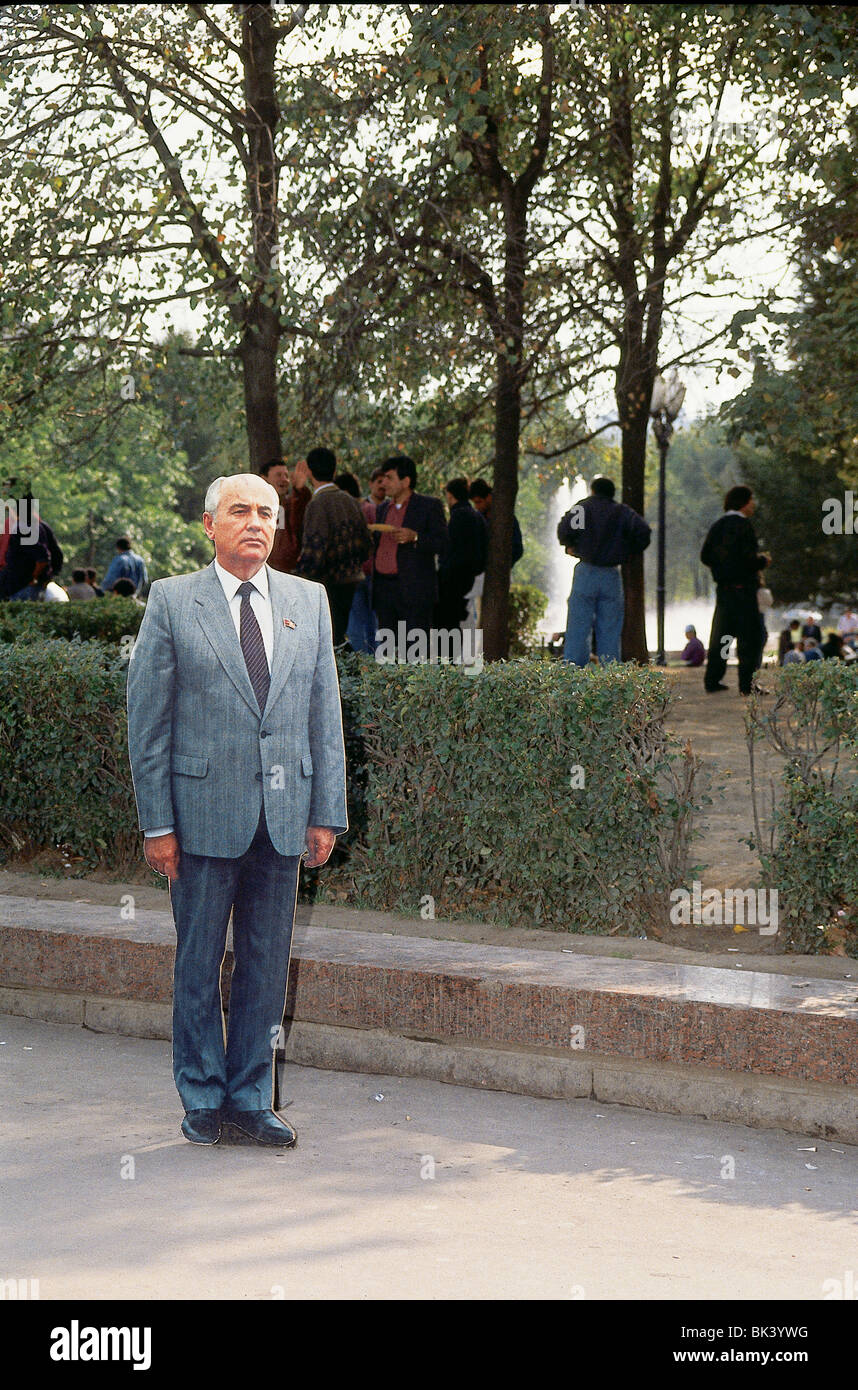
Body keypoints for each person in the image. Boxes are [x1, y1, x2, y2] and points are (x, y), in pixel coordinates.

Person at [126, 472, 347, 1148]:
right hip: (198, 820)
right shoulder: (170, 602)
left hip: (283, 820)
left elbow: (322, 713)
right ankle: (201, 1095)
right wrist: (157, 825)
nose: (255, 522)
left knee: (264, 962)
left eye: (267, 513)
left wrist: (326, 812)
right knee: (197, 963)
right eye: (240, 511)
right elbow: (148, 724)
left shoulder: (308, 602)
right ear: (209, 525)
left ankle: (252, 1099)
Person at [557, 474, 651, 667]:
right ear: (612, 493)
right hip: (611, 574)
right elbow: (643, 532)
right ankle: (610, 677)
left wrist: (571, 545)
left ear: (593, 490)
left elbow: (564, 530)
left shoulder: (583, 508)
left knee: (578, 627)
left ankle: (574, 673)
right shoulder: (621, 512)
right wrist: (627, 552)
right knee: (610, 630)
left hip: (586, 572)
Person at [294, 447, 373, 646]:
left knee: (329, 642)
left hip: (328, 584)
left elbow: (315, 550)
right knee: (340, 638)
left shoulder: (318, 504)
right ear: (335, 470)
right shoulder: (351, 501)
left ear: (310, 472)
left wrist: (298, 580)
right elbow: (366, 544)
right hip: (352, 579)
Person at [700, 485, 770, 696]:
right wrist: (762, 561)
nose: (754, 504)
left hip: (724, 591)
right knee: (752, 638)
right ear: (743, 502)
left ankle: (713, 679)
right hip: (745, 592)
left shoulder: (718, 526)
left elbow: (705, 556)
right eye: (751, 500)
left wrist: (722, 568)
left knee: (722, 637)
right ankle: (747, 684)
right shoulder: (744, 526)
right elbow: (748, 559)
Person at [373, 454, 448, 645]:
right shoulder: (382, 508)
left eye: (390, 477)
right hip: (384, 589)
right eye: (383, 478)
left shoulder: (429, 506)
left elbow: (443, 543)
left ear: (406, 481)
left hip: (414, 592)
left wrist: (415, 537)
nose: (384, 483)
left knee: (414, 652)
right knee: (387, 652)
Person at [436, 478, 487, 631]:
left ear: (450, 496)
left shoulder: (458, 516)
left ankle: (446, 655)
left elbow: (450, 548)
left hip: (452, 579)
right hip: (468, 578)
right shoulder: (477, 516)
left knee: (445, 624)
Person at [346, 467, 386, 655]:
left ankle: (363, 658)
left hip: (360, 572)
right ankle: (371, 657)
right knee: (369, 620)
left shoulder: (360, 509)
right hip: (368, 571)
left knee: (360, 620)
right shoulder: (370, 508)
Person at [261, 458, 312, 574]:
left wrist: (300, 490)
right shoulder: (255, 508)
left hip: (290, 571)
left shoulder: (290, 505)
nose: (284, 479)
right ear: (264, 479)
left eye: (286, 476)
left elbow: (300, 518)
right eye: (278, 475)